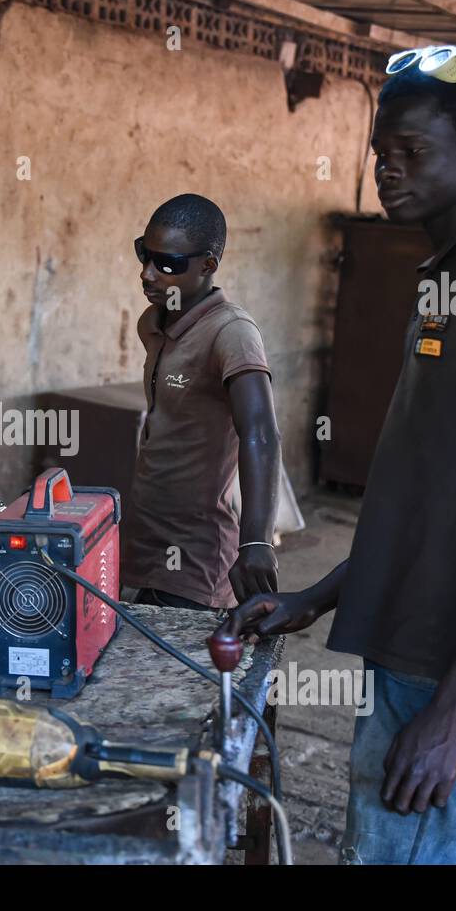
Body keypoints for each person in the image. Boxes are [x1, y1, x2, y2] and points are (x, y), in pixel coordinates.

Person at [220, 49, 456, 864]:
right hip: (411, 639)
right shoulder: (453, 273)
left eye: (413, 152)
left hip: (451, 660)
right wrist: (316, 596)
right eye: (380, 155)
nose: (389, 171)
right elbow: (429, 498)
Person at [122, 194, 282, 611]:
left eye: (167, 264)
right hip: (145, 538)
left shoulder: (232, 333)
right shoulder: (152, 323)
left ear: (208, 265)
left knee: (184, 670)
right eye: (145, 254)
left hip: (197, 555)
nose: (148, 273)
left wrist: (257, 541)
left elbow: (261, 434)